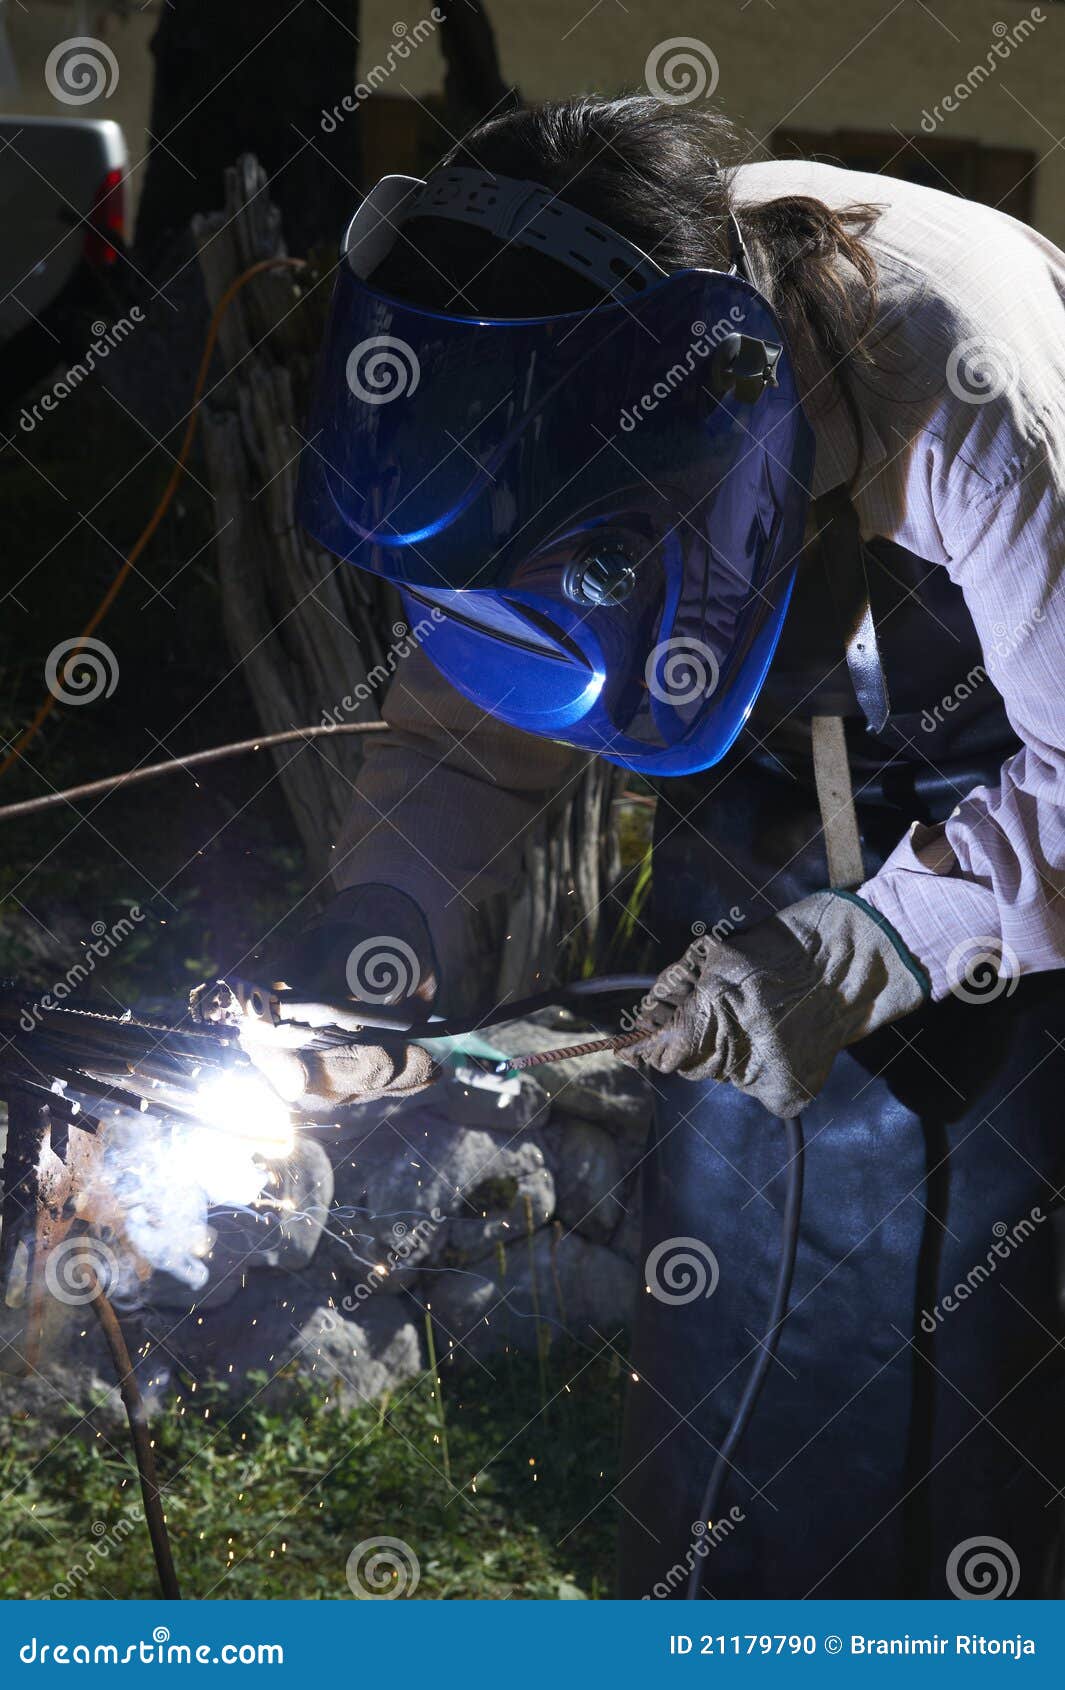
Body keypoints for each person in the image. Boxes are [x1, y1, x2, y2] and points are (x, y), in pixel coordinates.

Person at [266, 97, 1065, 1599]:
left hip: (1023, 831)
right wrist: (383, 924)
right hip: (761, 794)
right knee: (730, 1325)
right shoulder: (533, 368)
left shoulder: (965, 385)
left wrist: (878, 939)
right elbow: (468, 718)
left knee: (969, 1344)